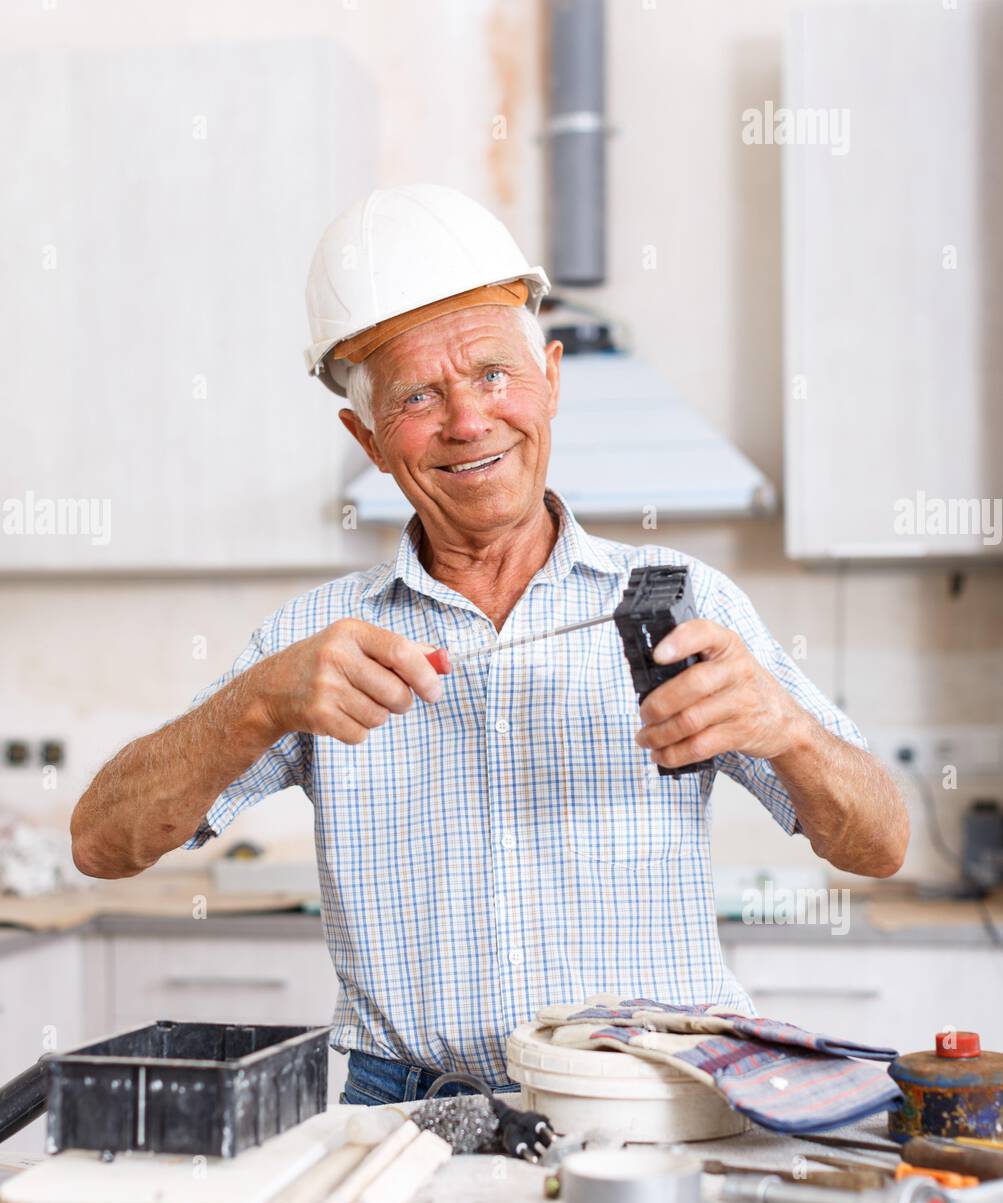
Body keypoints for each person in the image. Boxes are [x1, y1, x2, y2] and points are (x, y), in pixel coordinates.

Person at [71, 184, 909, 1105]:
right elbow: (103, 844)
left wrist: (783, 728)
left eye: (493, 374)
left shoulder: (681, 602)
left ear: (550, 378)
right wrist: (256, 703)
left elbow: (880, 844)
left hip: (655, 1094)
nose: (468, 422)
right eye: (418, 397)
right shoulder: (312, 644)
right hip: (409, 1112)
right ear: (368, 437)